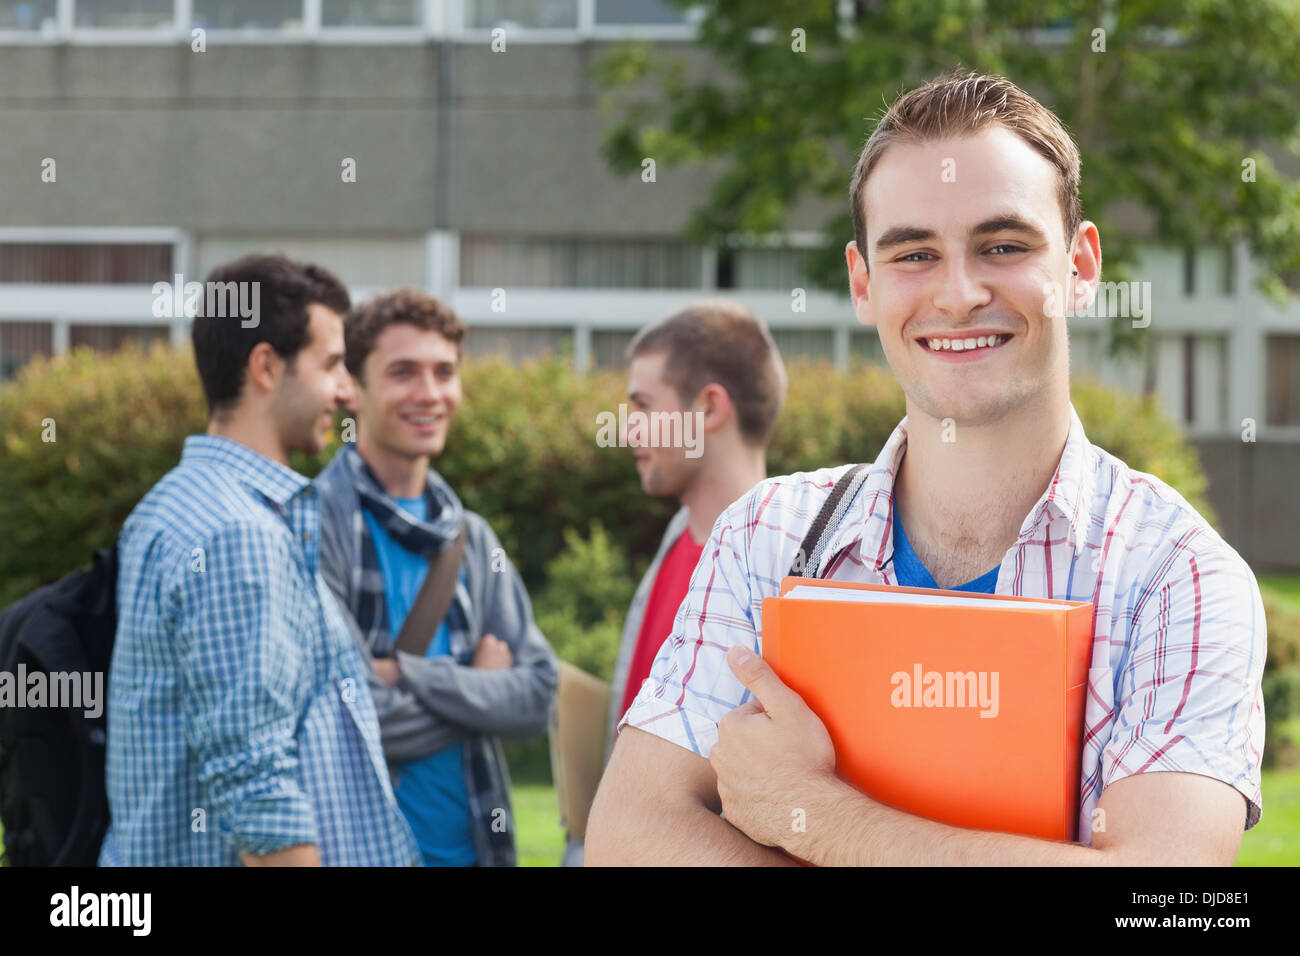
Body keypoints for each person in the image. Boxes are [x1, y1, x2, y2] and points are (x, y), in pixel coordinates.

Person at [586, 71, 1266, 866]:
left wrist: (815, 815)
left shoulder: (1177, 577)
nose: (959, 293)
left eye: (1003, 246)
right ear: (862, 283)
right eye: (915, 253)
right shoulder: (766, 540)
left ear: (1081, 270)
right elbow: (628, 838)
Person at [101, 253, 418, 866]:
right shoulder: (236, 533)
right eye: (331, 365)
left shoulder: (175, 504)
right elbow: (255, 785)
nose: (347, 390)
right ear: (267, 367)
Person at [316, 287, 557, 867]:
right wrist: (474, 685)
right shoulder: (314, 523)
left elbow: (536, 697)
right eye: (403, 372)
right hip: (359, 854)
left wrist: (407, 675)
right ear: (352, 387)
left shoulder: (471, 539)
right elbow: (340, 718)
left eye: (444, 372)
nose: (429, 393)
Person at [561, 300, 786, 866]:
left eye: (642, 405)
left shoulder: (790, 571)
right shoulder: (674, 542)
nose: (626, 427)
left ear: (709, 407)